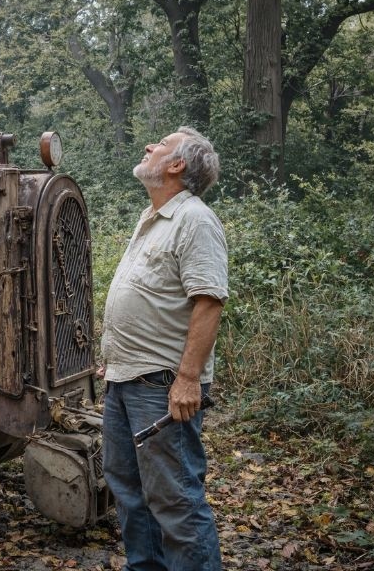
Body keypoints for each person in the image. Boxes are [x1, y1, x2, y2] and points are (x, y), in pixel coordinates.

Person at [100, 126, 226, 570]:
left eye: (161, 145)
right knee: (131, 497)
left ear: (176, 166)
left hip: (161, 386)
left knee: (175, 502)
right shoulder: (151, 218)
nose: (149, 146)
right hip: (124, 379)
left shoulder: (194, 219)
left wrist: (188, 378)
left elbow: (208, 301)